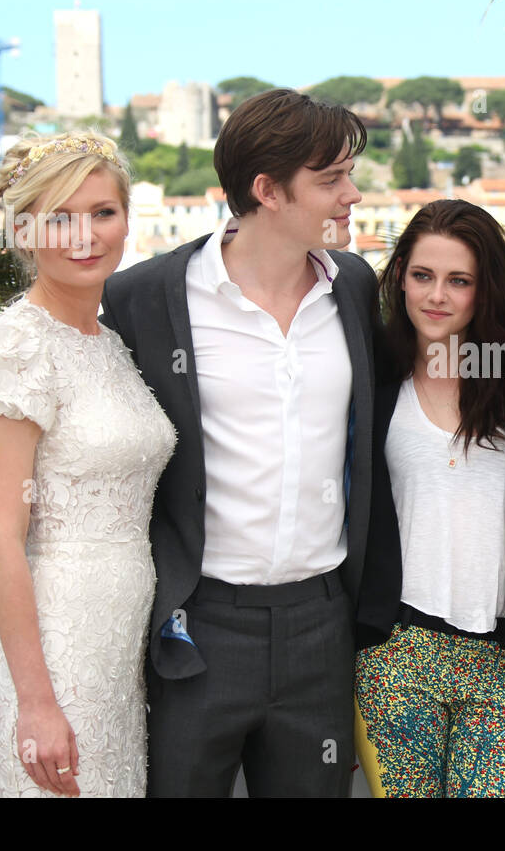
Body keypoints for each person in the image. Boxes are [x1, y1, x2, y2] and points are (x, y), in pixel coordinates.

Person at [99, 89, 377, 797]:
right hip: (198, 624)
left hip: (323, 624)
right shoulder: (146, 296)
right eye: (331, 179)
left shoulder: (354, 285)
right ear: (267, 191)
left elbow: (463, 316)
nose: (351, 194)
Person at [0, 131, 176, 797]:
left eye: (103, 212)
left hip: (118, 659)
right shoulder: (16, 346)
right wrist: (39, 704)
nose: (86, 235)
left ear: (126, 219)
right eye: (61, 217)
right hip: (54, 665)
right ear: (24, 231)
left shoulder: (108, 342)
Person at [354, 200, 505, 797]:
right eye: (423, 276)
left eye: (459, 281)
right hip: (396, 657)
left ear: (486, 289)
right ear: (400, 275)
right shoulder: (373, 378)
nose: (437, 296)